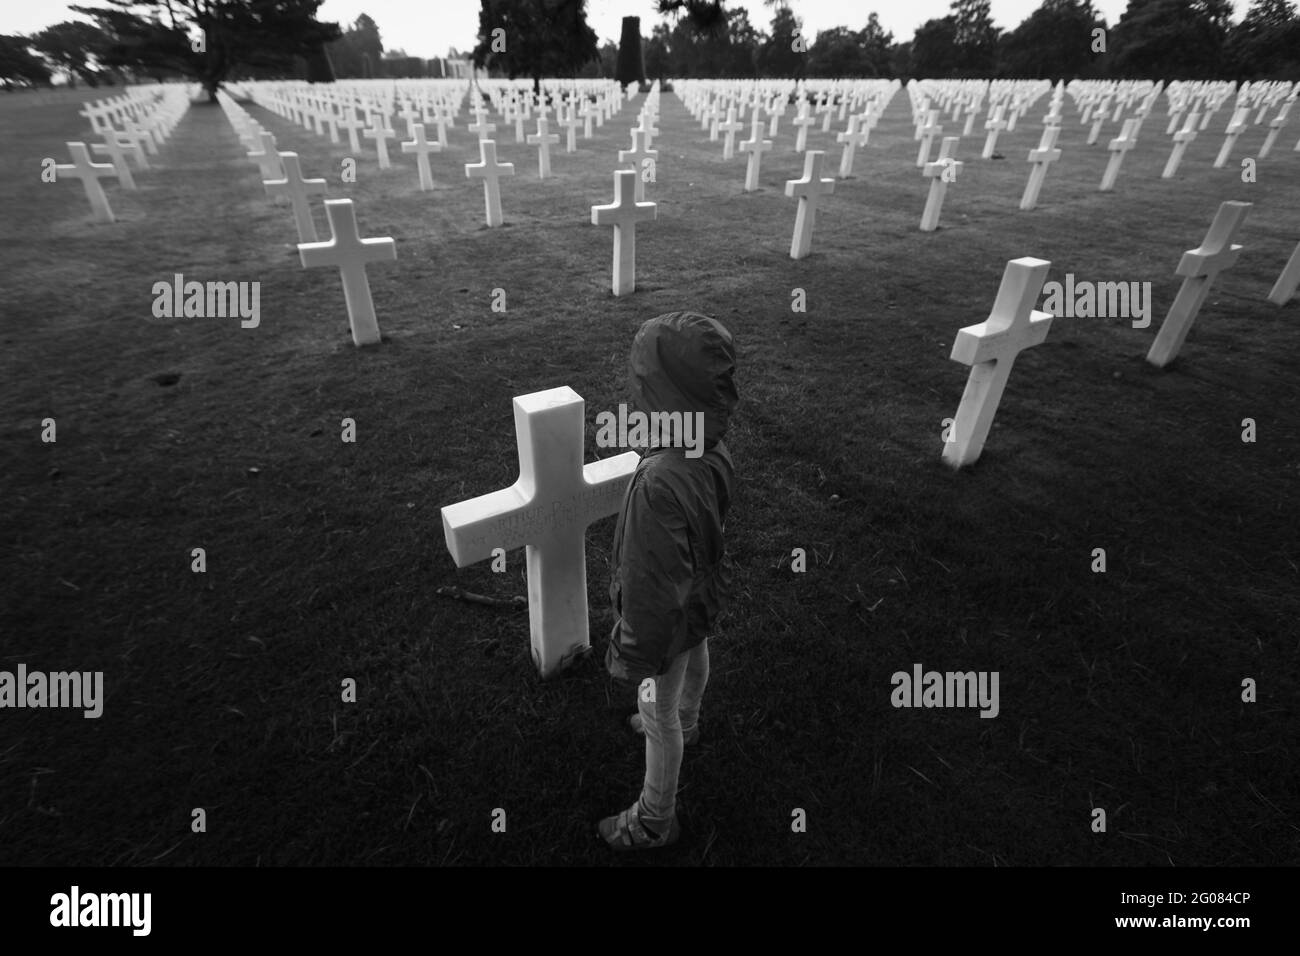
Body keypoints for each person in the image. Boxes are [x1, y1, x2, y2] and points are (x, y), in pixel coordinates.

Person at [598, 311, 739, 851]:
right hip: (701, 591)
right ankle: (692, 718)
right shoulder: (711, 446)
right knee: (697, 650)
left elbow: (652, 590)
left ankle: (656, 818)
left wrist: (635, 653)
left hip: (670, 613)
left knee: (656, 712)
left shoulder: (657, 483)